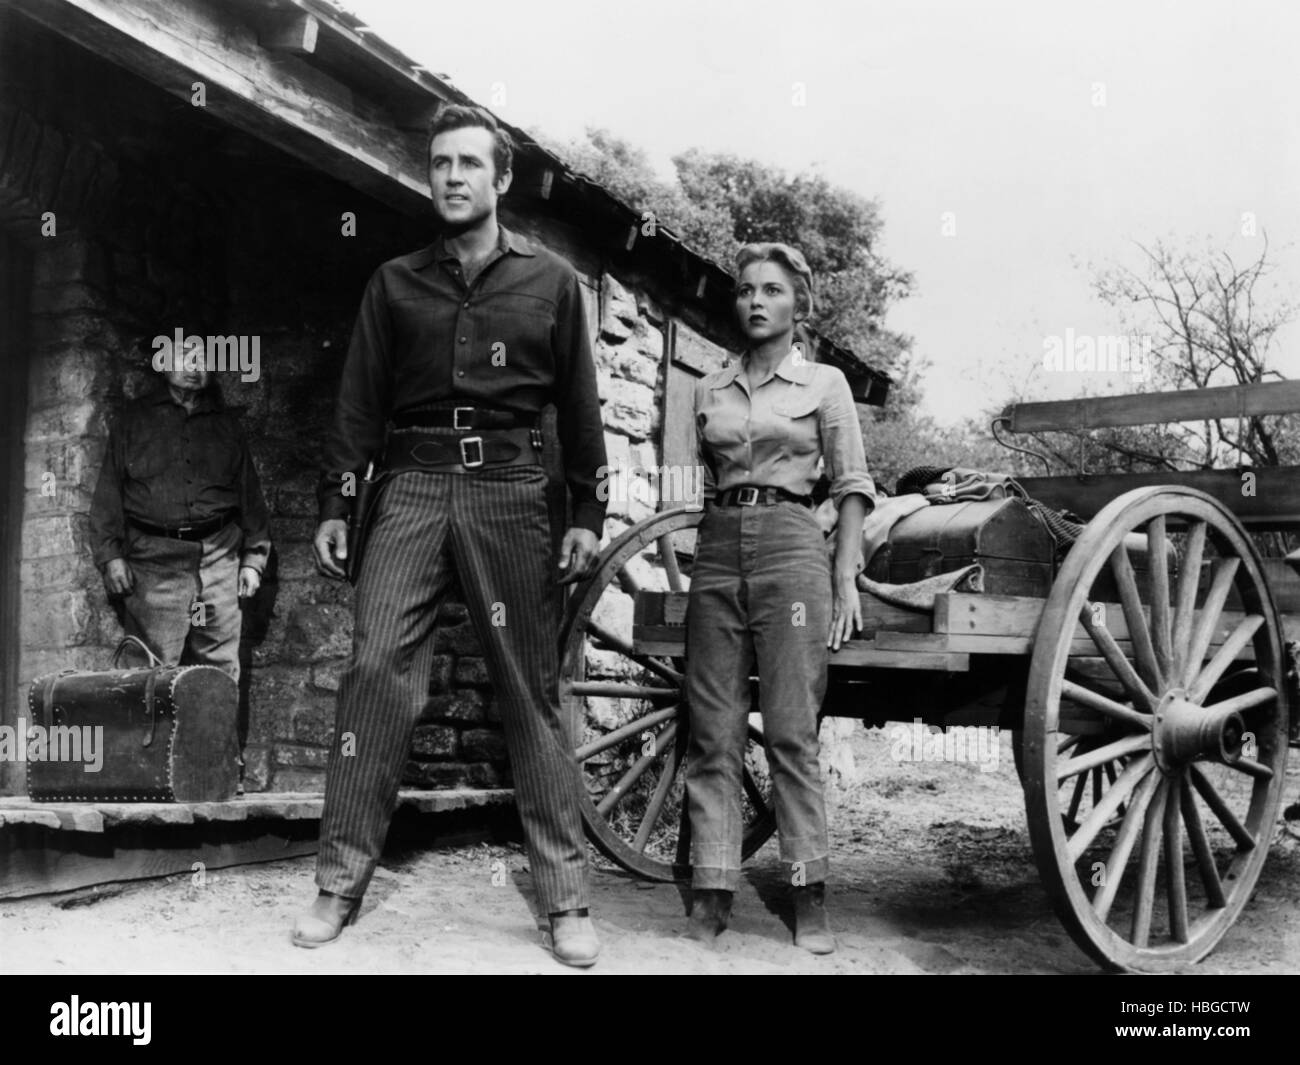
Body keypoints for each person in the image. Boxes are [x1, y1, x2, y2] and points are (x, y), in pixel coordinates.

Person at [295, 104, 607, 967]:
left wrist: (587, 514)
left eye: (471, 163)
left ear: (502, 179)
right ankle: (337, 882)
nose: (453, 177)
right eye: (440, 163)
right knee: (373, 671)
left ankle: (566, 898)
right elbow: (357, 404)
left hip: (510, 489)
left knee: (530, 687)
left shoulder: (551, 284)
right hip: (409, 487)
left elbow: (581, 413)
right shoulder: (394, 283)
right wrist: (335, 501)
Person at [683, 243, 874, 953]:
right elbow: (695, 483)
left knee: (792, 728)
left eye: (772, 290)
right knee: (714, 730)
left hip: (795, 548)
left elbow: (852, 485)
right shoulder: (708, 388)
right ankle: (712, 887)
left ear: (798, 305)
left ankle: (808, 891)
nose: (755, 301)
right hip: (719, 548)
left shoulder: (825, 384)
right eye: (744, 290)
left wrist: (844, 573)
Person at [89, 342, 270, 683]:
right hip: (154, 564)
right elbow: (108, 494)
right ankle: (151, 740)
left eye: (203, 358)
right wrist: (110, 556)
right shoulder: (133, 422)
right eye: (185, 356)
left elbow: (251, 499)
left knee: (219, 673)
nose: (195, 366)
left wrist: (253, 561)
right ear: (162, 363)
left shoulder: (226, 425)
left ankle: (214, 740)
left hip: (219, 559)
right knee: (146, 673)